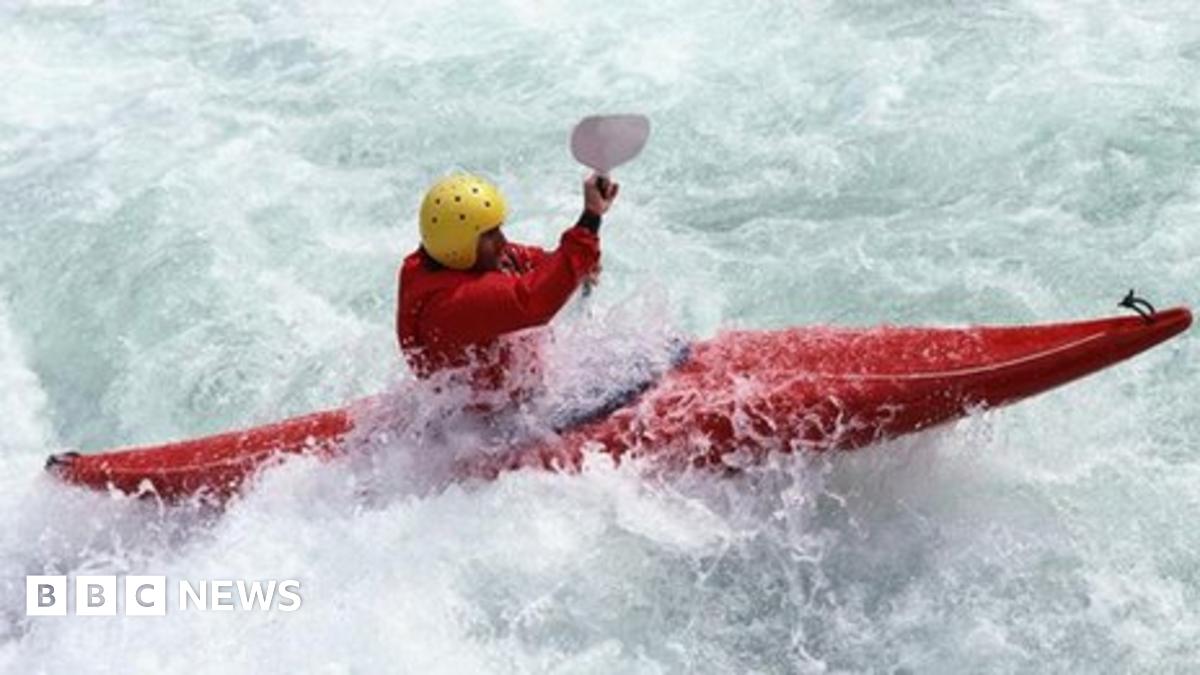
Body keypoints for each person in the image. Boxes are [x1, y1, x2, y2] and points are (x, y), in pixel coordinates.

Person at [396, 172, 619, 398]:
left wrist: (579, 262)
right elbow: (533, 300)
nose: (502, 241)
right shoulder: (452, 302)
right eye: (491, 235)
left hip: (503, 401)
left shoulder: (454, 257)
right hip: (479, 425)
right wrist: (591, 217)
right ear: (459, 245)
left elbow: (535, 265)